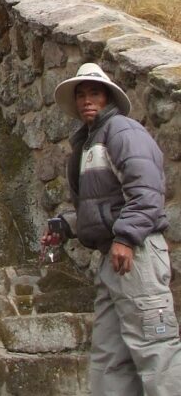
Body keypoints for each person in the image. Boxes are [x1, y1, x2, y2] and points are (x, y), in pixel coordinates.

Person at [41, 62, 181, 395]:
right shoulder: (87, 145)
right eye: (82, 95)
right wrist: (66, 226)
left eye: (94, 93)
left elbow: (147, 191)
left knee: (155, 348)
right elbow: (100, 207)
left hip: (137, 254)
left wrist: (127, 237)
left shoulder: (123, 131)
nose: (87, 100)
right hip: (114, 258)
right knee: (109, 359)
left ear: (108, 97)